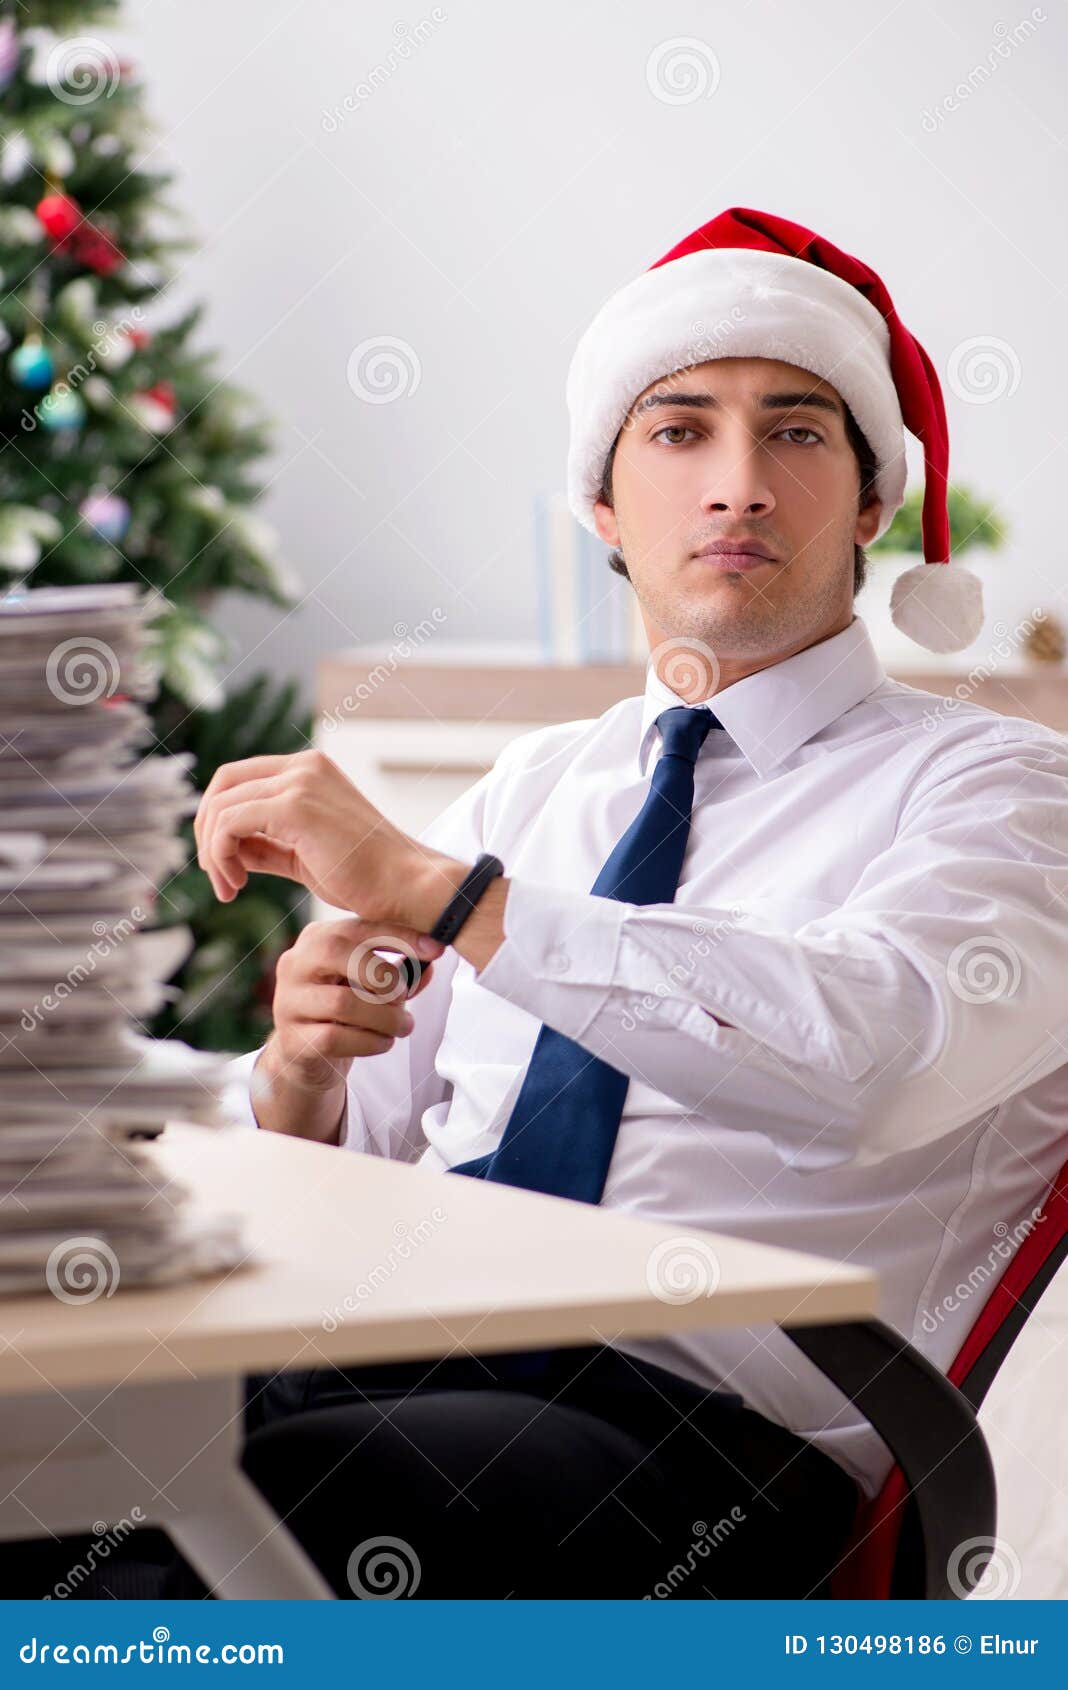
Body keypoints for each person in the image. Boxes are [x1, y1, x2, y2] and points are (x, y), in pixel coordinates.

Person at [180, 206, 1068, 1599]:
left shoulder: (1005, 793)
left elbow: (872, 1058)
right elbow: (368, 1141)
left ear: (874, 500)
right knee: (59, 1456)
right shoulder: (532, 788)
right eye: (678, 432)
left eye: (794, 431)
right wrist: (302, 1080)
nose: (738, 485)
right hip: (394, 1345)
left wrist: (450, 891)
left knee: (265, 1512)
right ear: (602, 506)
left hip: (709, 1447)